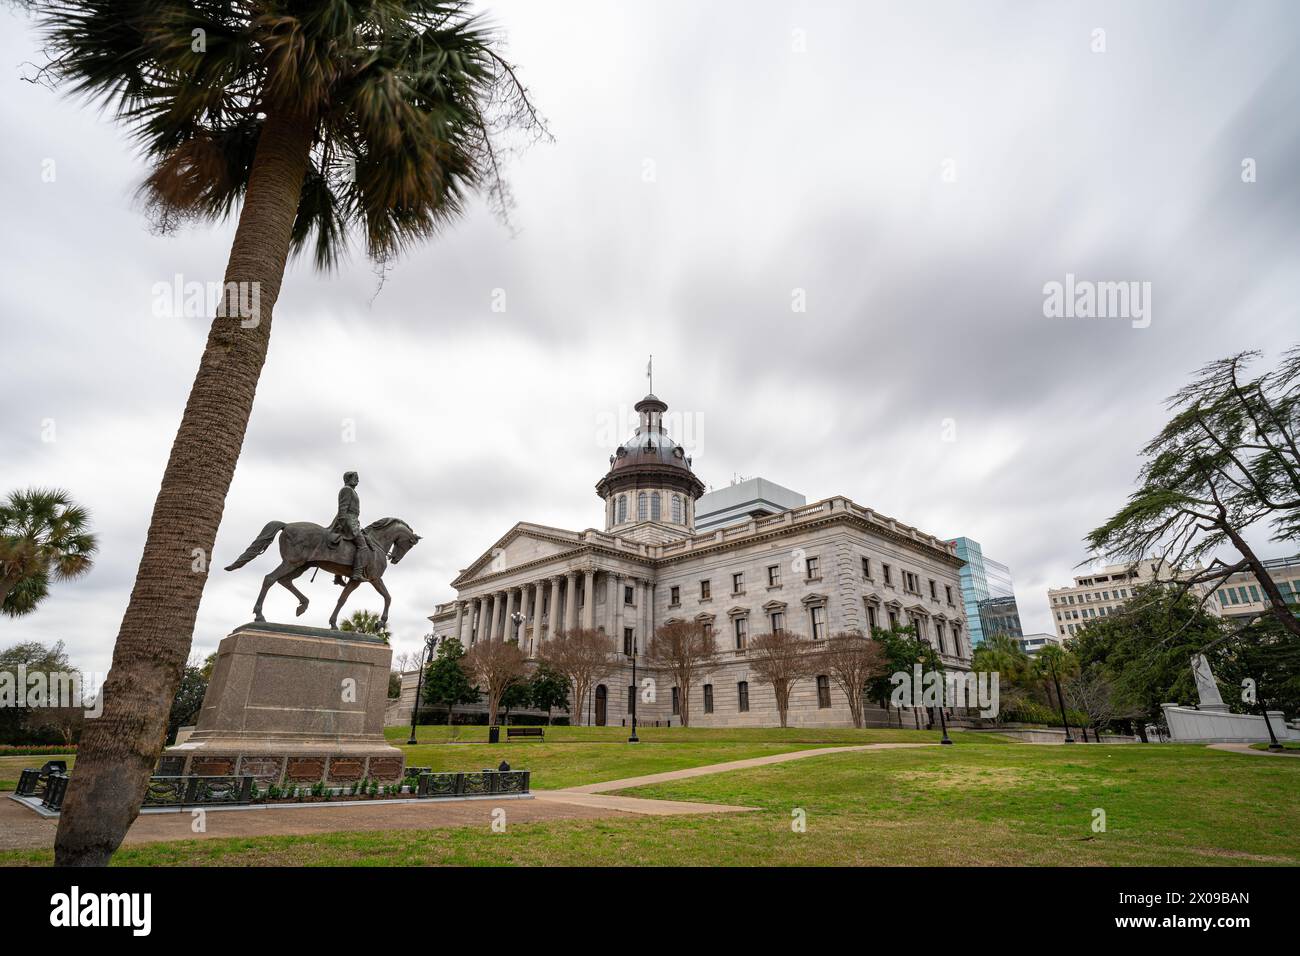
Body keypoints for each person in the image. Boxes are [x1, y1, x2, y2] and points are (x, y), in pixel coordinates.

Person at [329, 471, 372, 584]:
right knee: (363, 546)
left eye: (358, 478)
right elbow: (343, 508)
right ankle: (357, 573)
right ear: (348, 479)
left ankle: (338, 576)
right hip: (348, 521)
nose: (357, 480)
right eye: (355, 478)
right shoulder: (347, 490)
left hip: (353, 520)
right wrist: (343, 524)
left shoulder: (352, 491)